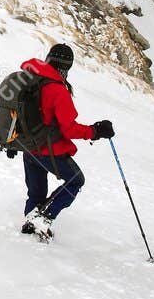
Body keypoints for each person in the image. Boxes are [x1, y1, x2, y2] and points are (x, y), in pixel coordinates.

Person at [14, 43, 112, 242]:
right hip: (50, 151)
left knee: (36, 192)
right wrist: (95, 131)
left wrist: (11, 140)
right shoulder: (57, 90)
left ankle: (29, 230)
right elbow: (69, 129)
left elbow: (9, 110)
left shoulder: (28, 79)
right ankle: (43, 217)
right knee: (76, 180)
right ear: (66, 67)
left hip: (28, 148)